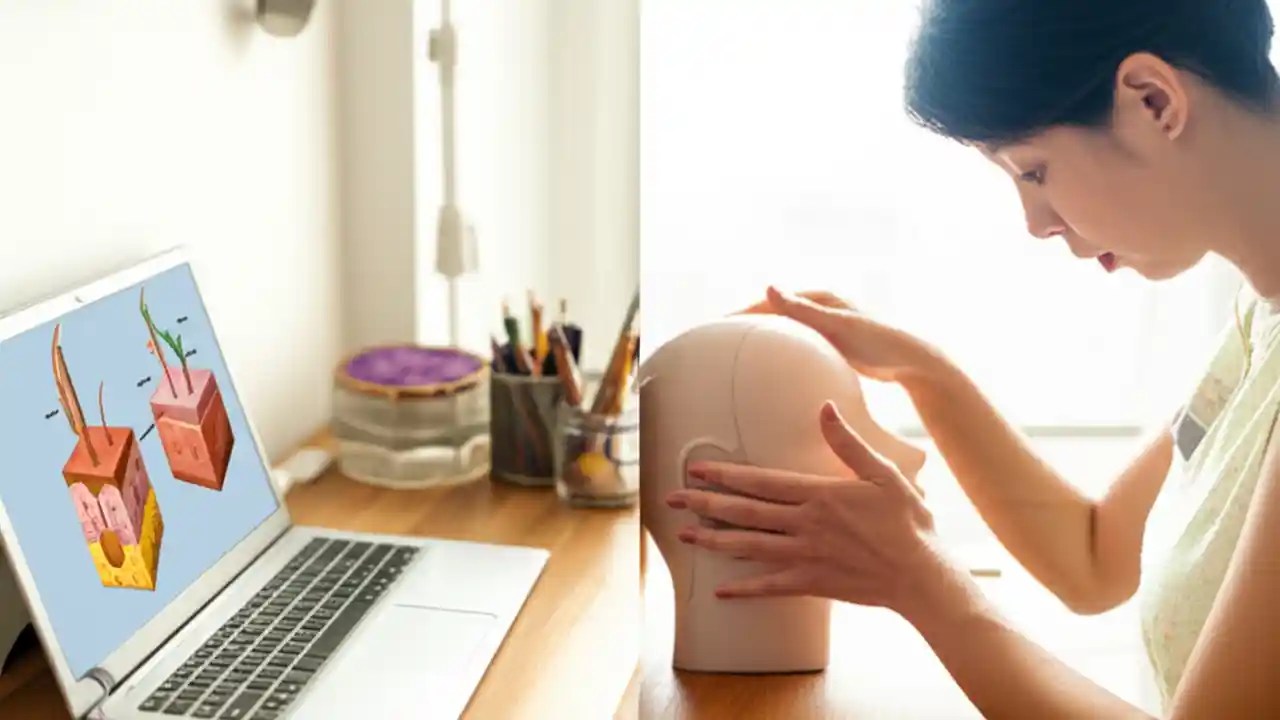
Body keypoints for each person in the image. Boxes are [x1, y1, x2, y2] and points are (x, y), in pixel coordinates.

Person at [662, 1, 1280, 717]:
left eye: (1035, 171)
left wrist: (918, 578)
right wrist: (918, 369)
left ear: (1153, 101)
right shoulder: (1256, 318)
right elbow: (1095, 555)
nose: (1036, 223)